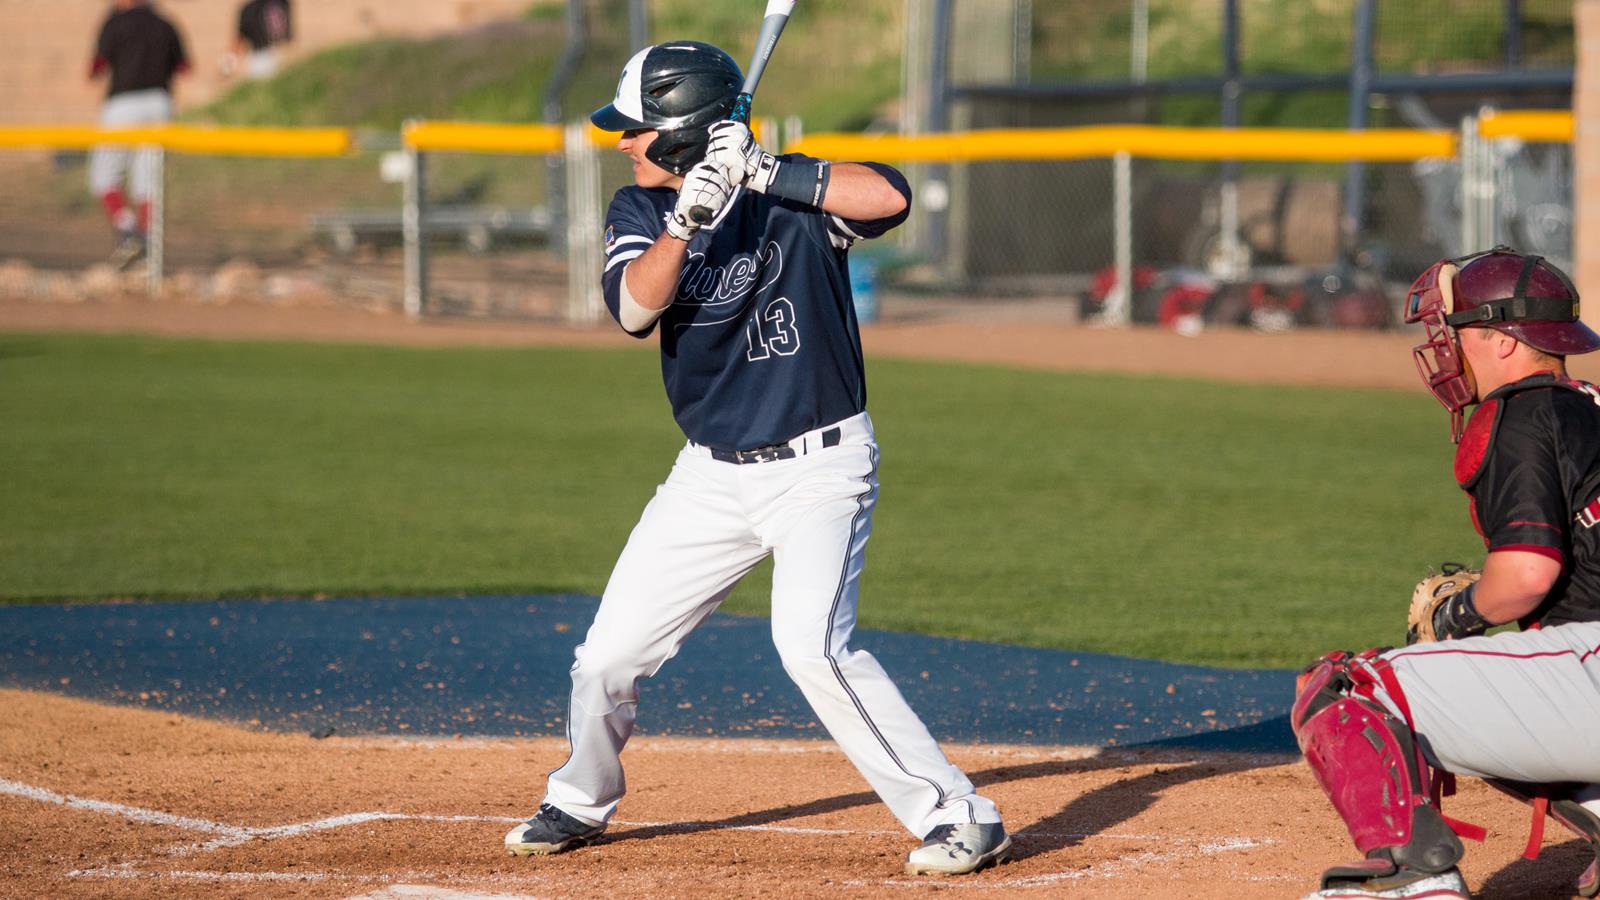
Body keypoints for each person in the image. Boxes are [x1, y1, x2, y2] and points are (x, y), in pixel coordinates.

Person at [502, 41, 1010, 877]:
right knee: (606, 657)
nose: (623, 144)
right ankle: (580, 799)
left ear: (679, 133)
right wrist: (684, 222)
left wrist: (768, 171)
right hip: (708, 475)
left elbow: (890, 196)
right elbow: (634, 311)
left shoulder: (793, 198)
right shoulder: (638, 209)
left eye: (636, 130)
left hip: (820, 467)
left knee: (812, 648)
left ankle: (961, 814)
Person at [1291, 247, 1600, 900]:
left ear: (1500, 338)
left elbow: (1525, 575)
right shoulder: (1589, 409)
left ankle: (1413, 879)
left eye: (1458, 329)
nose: (1448, 346)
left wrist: (1458, 616)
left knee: (1349, 688)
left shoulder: (1526, 409)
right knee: (1512, 671)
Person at [88, 0, 189, 269]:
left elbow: (96, 68)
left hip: (122, 103)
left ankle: (129, 230)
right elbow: (184, 68)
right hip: (160, 103)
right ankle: (148, 247)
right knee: (148, 179)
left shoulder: (114, 23)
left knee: (103, 177)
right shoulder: (166, 24)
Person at [225, 0, 291, 81]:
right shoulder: (283, 2)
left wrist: (230, 60)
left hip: (260, 59)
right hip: (285, 54)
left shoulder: (248, 9)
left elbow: (240, 40)